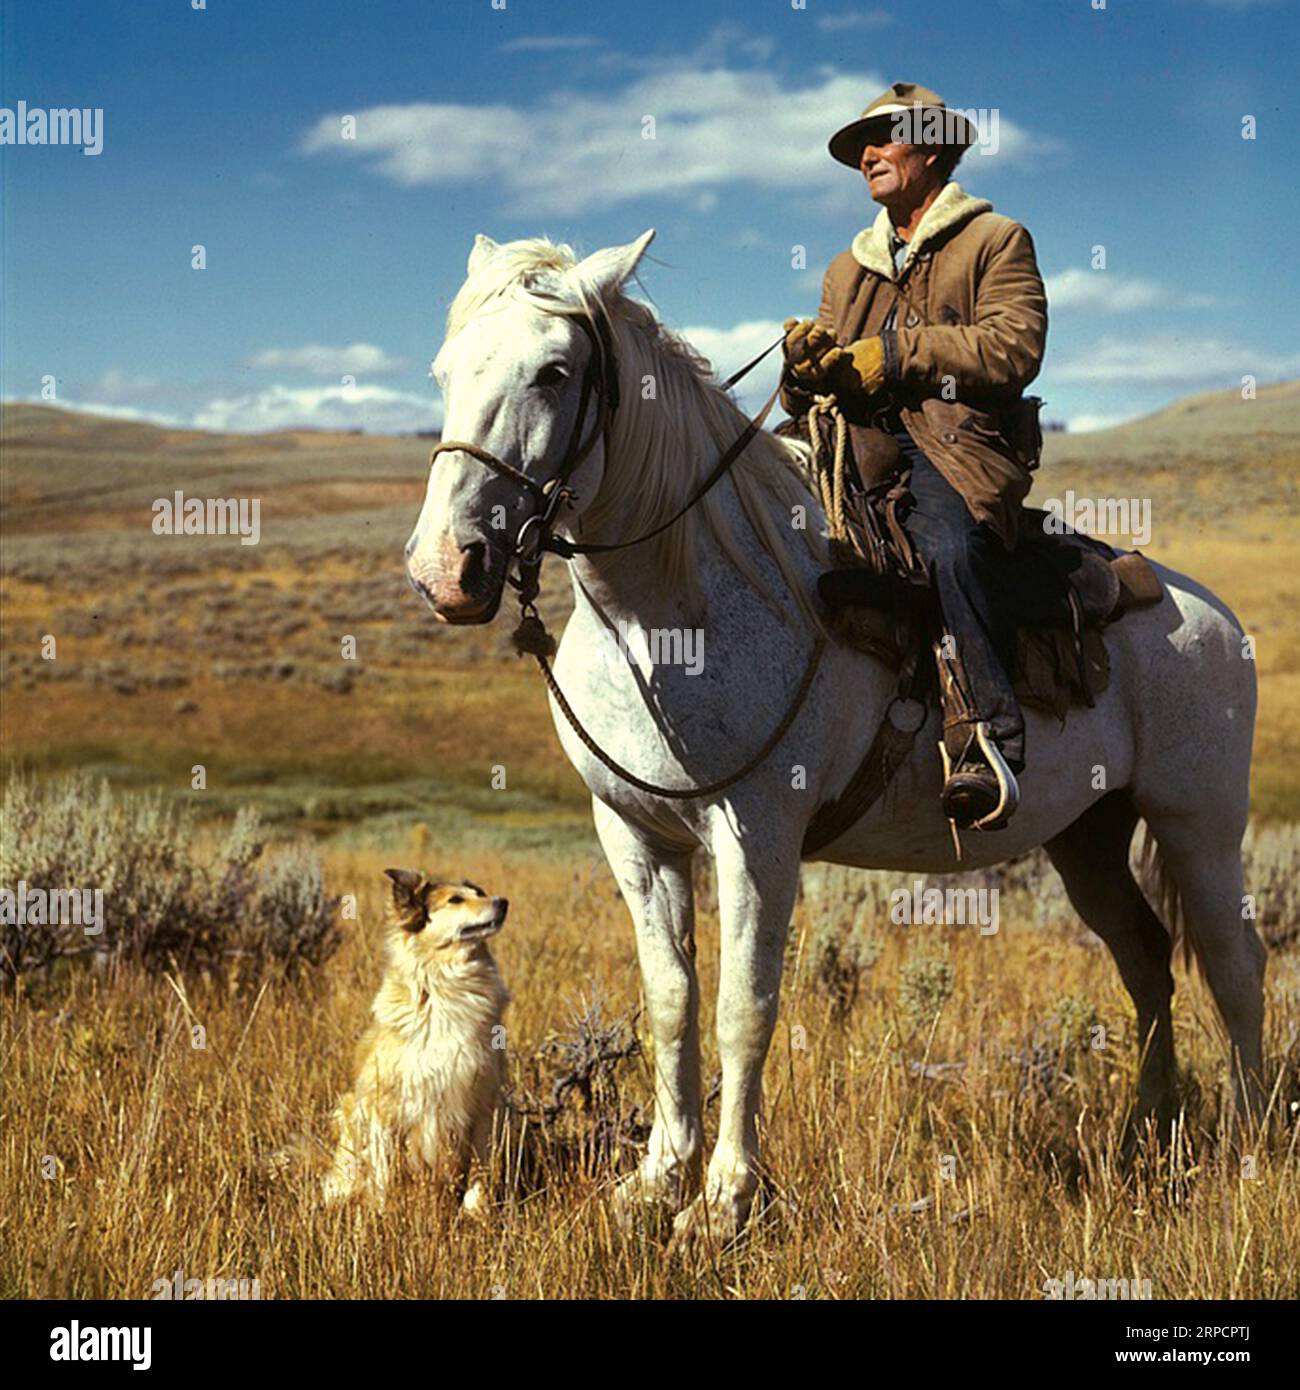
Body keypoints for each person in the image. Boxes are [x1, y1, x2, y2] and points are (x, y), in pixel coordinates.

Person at [781, 82, 1048, 830]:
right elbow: (827, 377)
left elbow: (1012, 348)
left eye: (882, 141)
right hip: (854, 446)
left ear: (929, 149)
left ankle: (984, 737)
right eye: (859, 150)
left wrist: (897, 355)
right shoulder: (847, 268)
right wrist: (804, 372)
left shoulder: (995, 240)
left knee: (952, 548)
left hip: (956, 446)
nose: (865, 157)